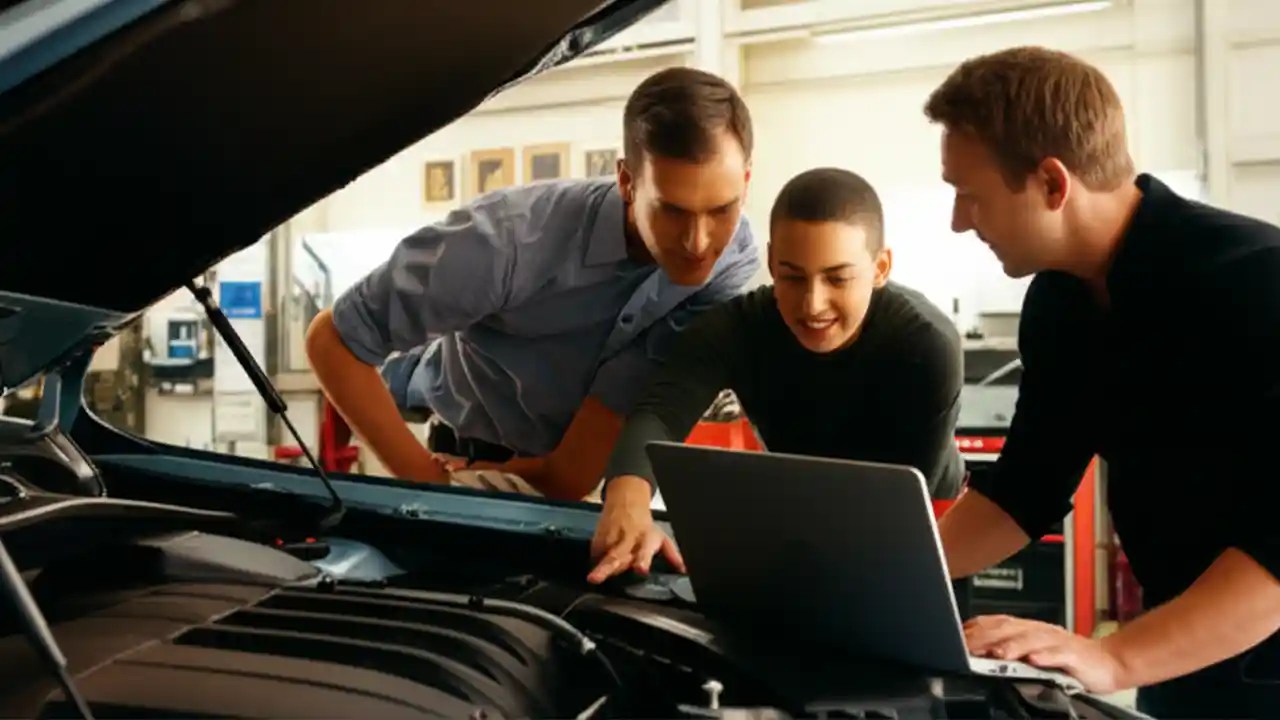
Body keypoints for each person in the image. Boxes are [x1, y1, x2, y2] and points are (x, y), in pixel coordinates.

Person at [924, 46, 1280, 717]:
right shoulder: (1060, 302)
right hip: (1182, 645)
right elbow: (1026, 493)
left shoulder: (1257, 282)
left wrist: (1114, 656)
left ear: (1053, 184)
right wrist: (886, 579)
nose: (958, 221)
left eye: (970, 196)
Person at [305, 67, 761, 501]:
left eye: (721, 209)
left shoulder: (731, 261)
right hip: (464, 457)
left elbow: (574, 469)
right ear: (626, 181)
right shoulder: (504, 243)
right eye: (673, 210)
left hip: (569, 482)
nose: (698, 242)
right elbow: (333, 340)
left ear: (745, 182)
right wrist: (427, 484)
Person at [587, 167, 965, 584]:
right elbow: (660, 410)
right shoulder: (738, 327)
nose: (813, 303)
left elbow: (900, 511)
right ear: (770, 262)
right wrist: (627, 498)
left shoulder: (926, 346)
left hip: (931, 525)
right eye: (792, 276)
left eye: (837, 278)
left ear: (880, 267)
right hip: (807, 511)